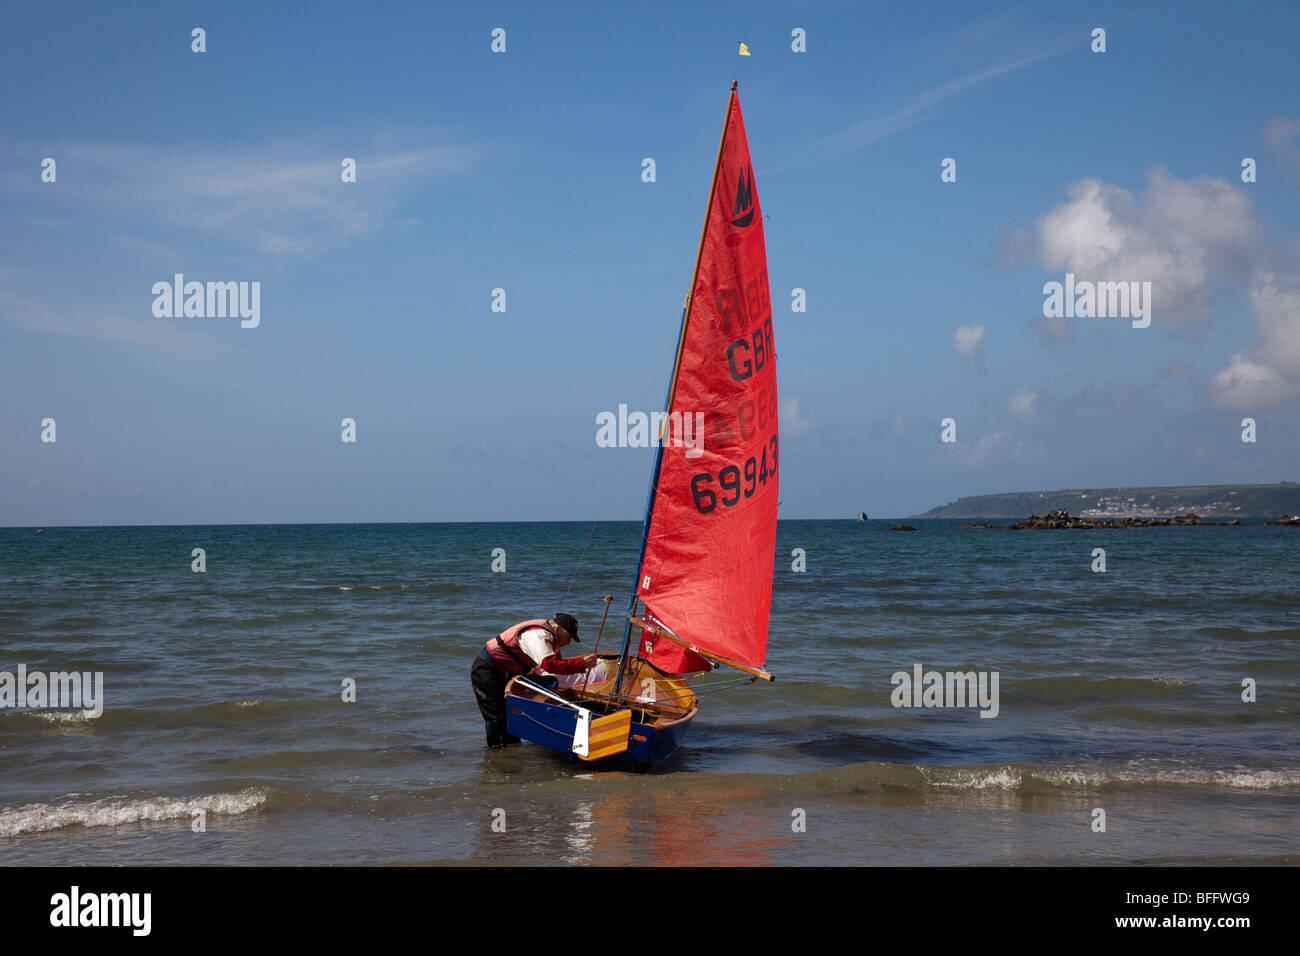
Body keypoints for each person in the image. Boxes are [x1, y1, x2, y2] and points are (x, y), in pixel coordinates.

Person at [471, 613, 597, 749]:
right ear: (559, 630)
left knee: (512, 714)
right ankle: (497, 756)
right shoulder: (538, 635)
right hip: (487, 670)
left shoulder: (552, 638)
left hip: (508, 672)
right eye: (569, 637)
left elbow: (557, 664)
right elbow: (550, 665)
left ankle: (511, 753)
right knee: (496, 717)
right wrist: (582, 664)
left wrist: (580, 663)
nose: (568, 642)